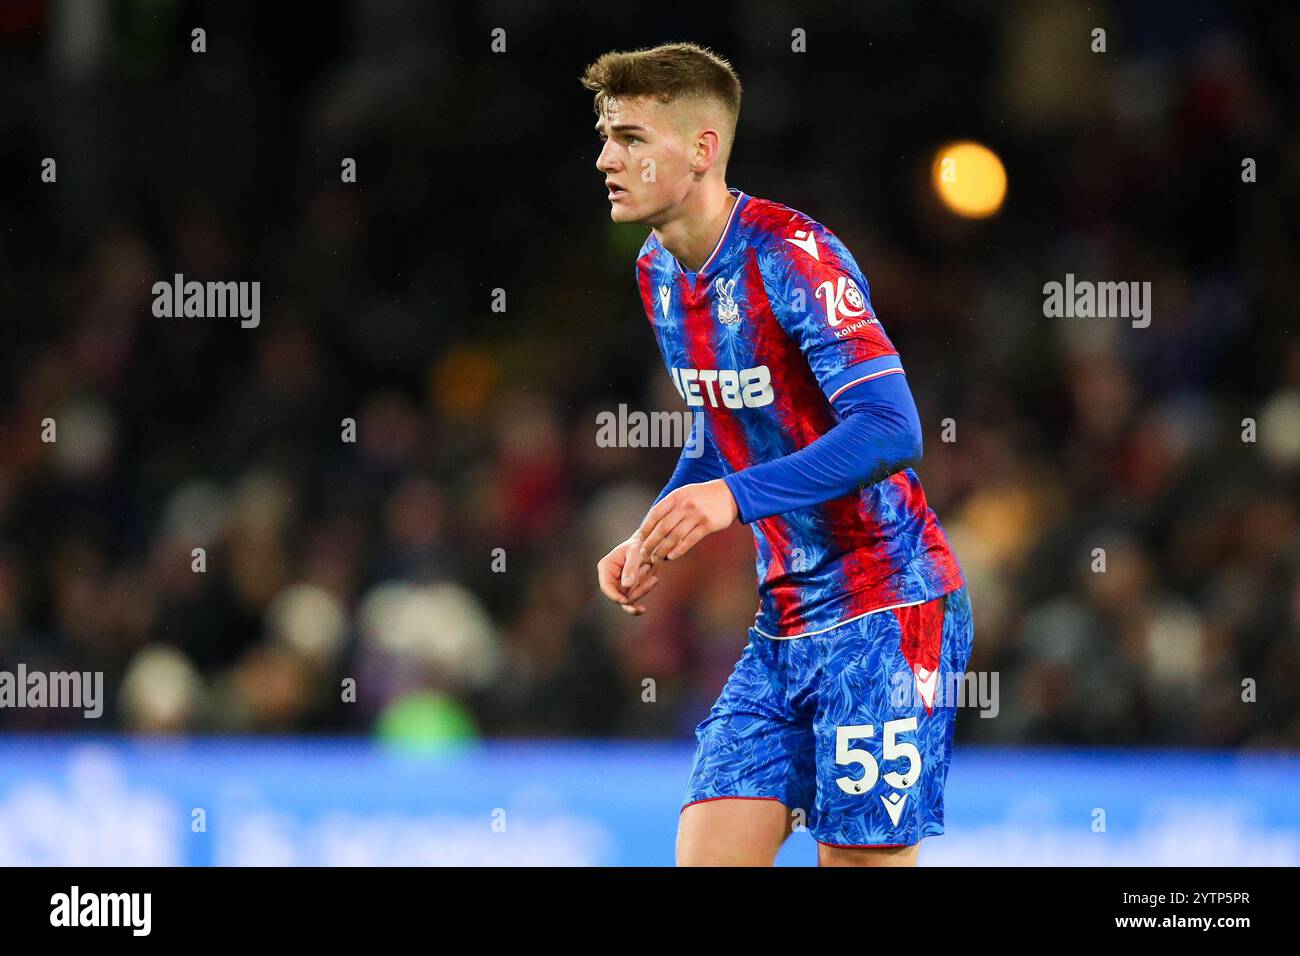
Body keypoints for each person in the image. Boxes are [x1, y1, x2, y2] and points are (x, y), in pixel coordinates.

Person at [586, 42, 972, 867]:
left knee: (857, 862)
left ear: (701, 149)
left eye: (630, 138)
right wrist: (657, 525)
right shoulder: (658, 270)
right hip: (785, 619)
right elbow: (725, 421)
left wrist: (730, 500)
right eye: (606, 136)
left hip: (887, 605)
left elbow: (890, 429)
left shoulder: (791, 255)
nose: (606, 158)